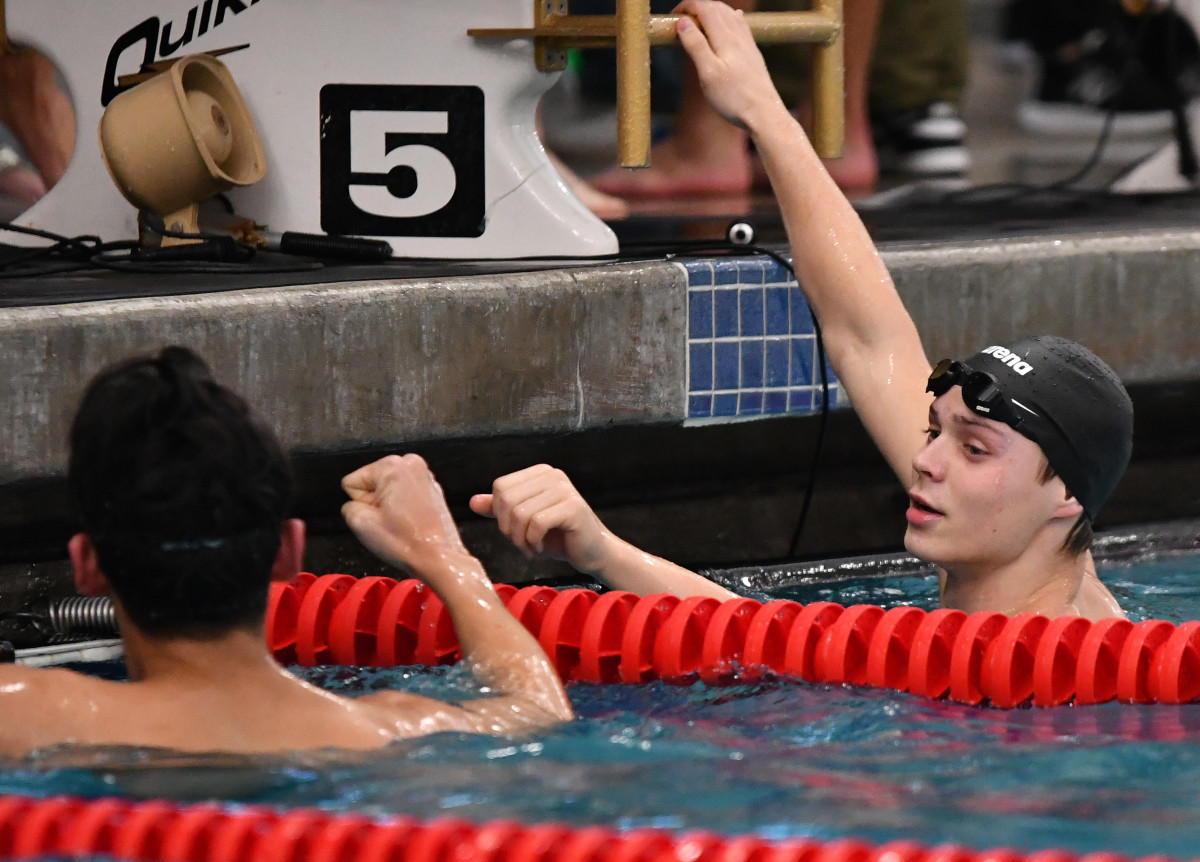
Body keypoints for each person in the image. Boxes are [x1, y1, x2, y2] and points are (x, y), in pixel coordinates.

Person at [471, 0, 1133, 623]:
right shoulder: (1028, 541)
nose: (927, 463)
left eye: (975, 449)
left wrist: (601, 552)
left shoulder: (1073, 660)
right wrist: (762, 111)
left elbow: (778, 642)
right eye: (937, 432)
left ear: (1066, 497)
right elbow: (868, 337)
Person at [0, 347, 572, 757]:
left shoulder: (22, 713)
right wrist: (442, 554)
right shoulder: (392, 731)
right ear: (288, 554)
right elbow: (538, 713)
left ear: (87, 566)